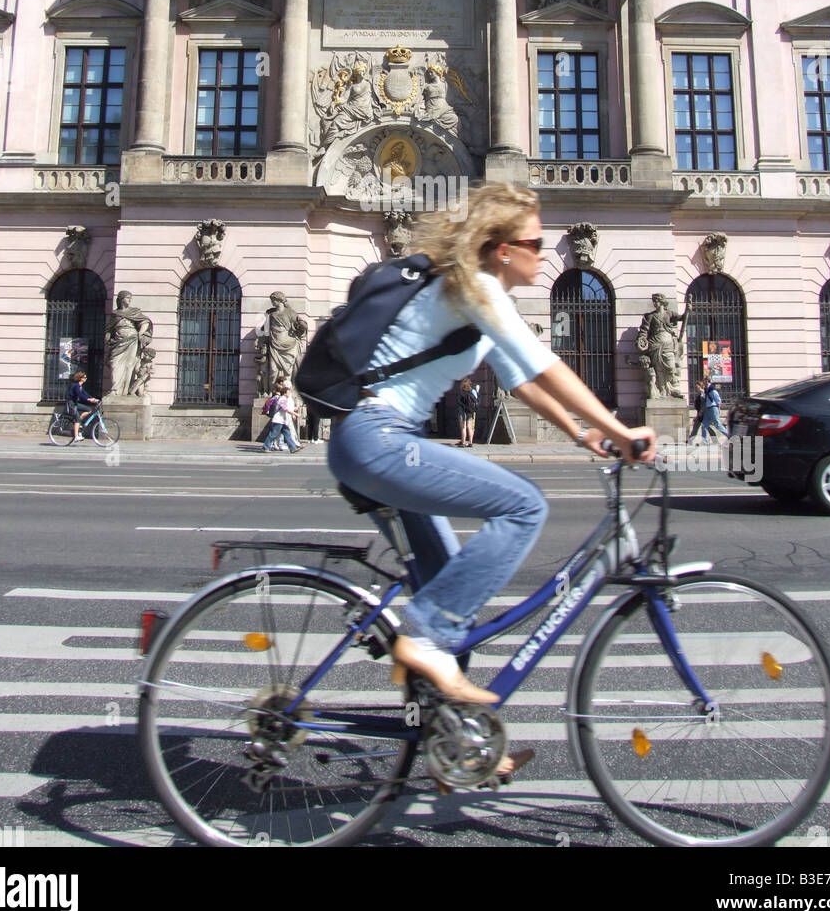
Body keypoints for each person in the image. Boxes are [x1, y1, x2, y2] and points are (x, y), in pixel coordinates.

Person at [326, 182, 656, 777]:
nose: (544, 251)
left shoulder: (471, 295)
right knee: (524, 506)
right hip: (379, 439)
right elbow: (545, 363)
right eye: (535, 241)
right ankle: (424, 640)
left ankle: (455, 740)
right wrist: (623, 428)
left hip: (374, 441)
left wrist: (581, 434)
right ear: (503, 248)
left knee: (451, 594)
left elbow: (521, 379)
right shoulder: (475, 287)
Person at [263, 380, 302, 453]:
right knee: (273, 434)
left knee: (287, 434)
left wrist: (294, 410)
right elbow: (285, 409)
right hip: (278, 420)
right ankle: (266, 447)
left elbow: (288, 409)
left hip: (282, 421)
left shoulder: (285, 399)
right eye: (288, 392)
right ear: (285, 393)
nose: (289, 393)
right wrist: (295, 414)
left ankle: (293, 448)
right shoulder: (282, 399)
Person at [66, 370, 99, 442]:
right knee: (77, 419)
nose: (86, 379)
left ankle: (79, 423)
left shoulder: (80, 386)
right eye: (85, 377)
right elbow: (80, 395)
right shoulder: (75, 385)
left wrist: (93, 398)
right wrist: (88, 399)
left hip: (75, 403)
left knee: (88, 410)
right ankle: (76, 436)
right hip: (71, 403)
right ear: (81, 378)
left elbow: (85, 393)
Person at [698, 376, 729, 443]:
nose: (703, 382)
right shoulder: (706, 389)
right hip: (708, 409)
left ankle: (730, 435)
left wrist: (719, 408)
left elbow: (718, 399)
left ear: (707, 381)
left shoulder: (712, 389)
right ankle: (704, 442)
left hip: (713, 408)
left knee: (718, 425)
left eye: (704, 380)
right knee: (704, 425)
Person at [457, 377, 480, 447]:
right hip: (470, 411)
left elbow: (458, 402)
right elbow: (476, 401)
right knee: (470, 427)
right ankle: (470, 442)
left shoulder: (461, 392)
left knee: (463, 427)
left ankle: (463, 442)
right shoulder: (473, 391)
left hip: (462, 411)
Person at [688, 376, 707, 442]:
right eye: (696, 387)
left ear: (700, 386)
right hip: (700, 413)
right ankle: (690, 440)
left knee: (707, 427)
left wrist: (701, 412)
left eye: (697, 387)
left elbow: (703, 404)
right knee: (696, 426)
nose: (696, 389)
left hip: (703, 413)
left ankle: (691, 440)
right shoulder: (700, 394)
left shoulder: (702, 393)